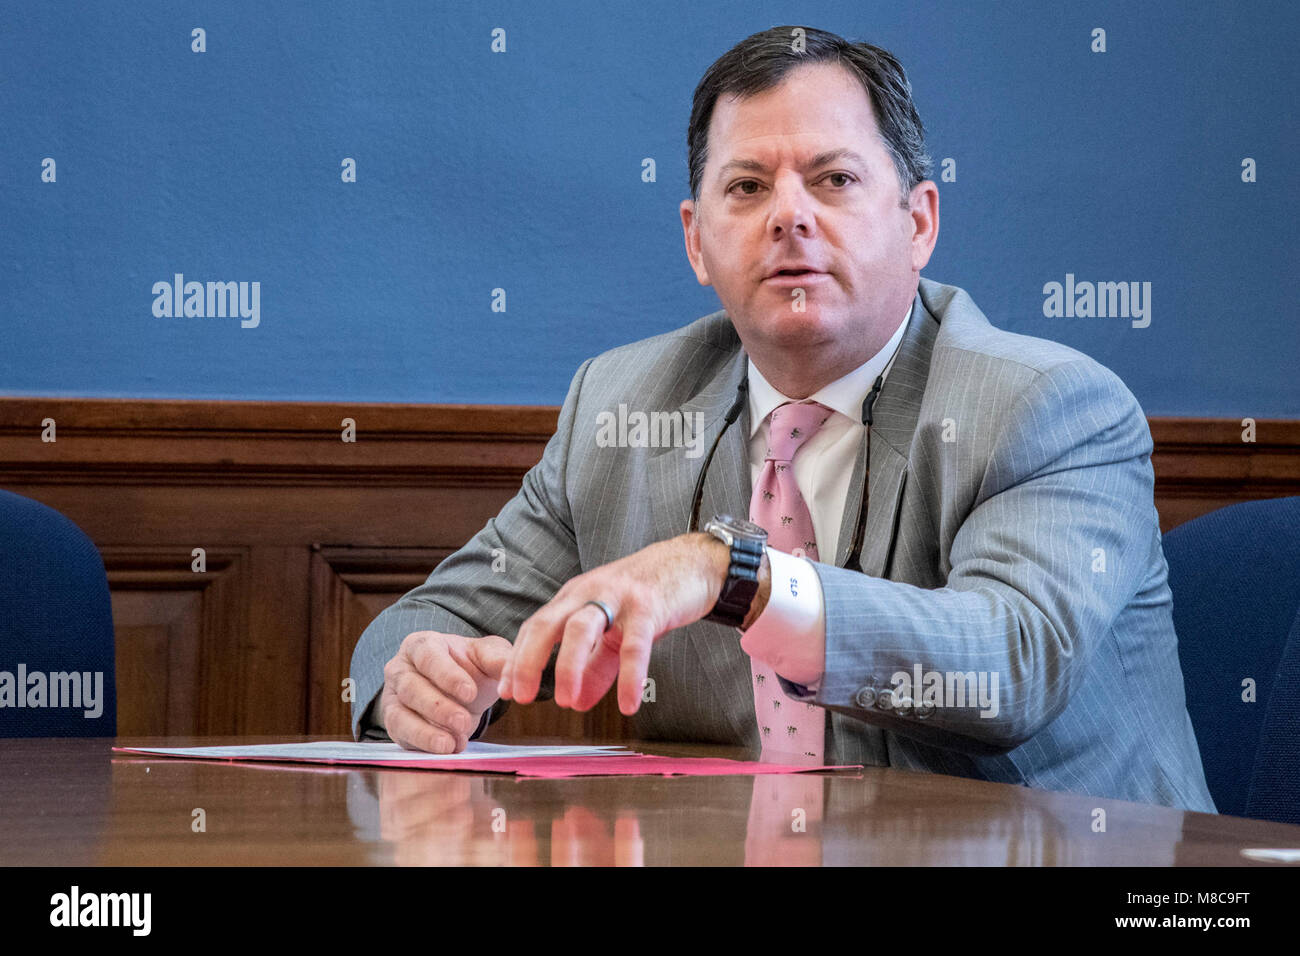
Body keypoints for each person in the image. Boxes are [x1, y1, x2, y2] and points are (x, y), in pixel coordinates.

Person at [350, 25, 1216, 811]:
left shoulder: (1051, 405)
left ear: (919, 223)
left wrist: (735, 575)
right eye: (748, 186)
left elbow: (1007, 668)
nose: (789, 216)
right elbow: (421, 626)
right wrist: (417, 684)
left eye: (834, 179)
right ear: (697, 240)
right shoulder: (622, 410)